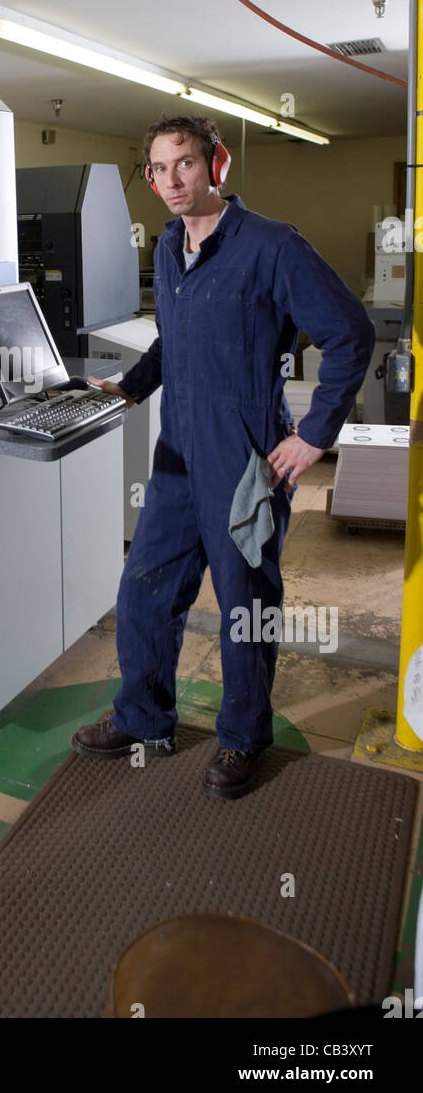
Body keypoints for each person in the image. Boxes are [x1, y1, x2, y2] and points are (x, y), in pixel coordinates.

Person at [71, 116, 375, 797]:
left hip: (247, 464)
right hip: (177, 458)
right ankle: (143, 717)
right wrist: (130, 386)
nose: (172, 180)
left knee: (245, 607)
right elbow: (171, 344)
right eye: (158, 168)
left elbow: (349, 332)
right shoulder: (166, 250)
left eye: (184, 163)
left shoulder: (272, 247)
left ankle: (243, 740)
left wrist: (314, 434)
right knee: (144, 591)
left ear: (217, 164)